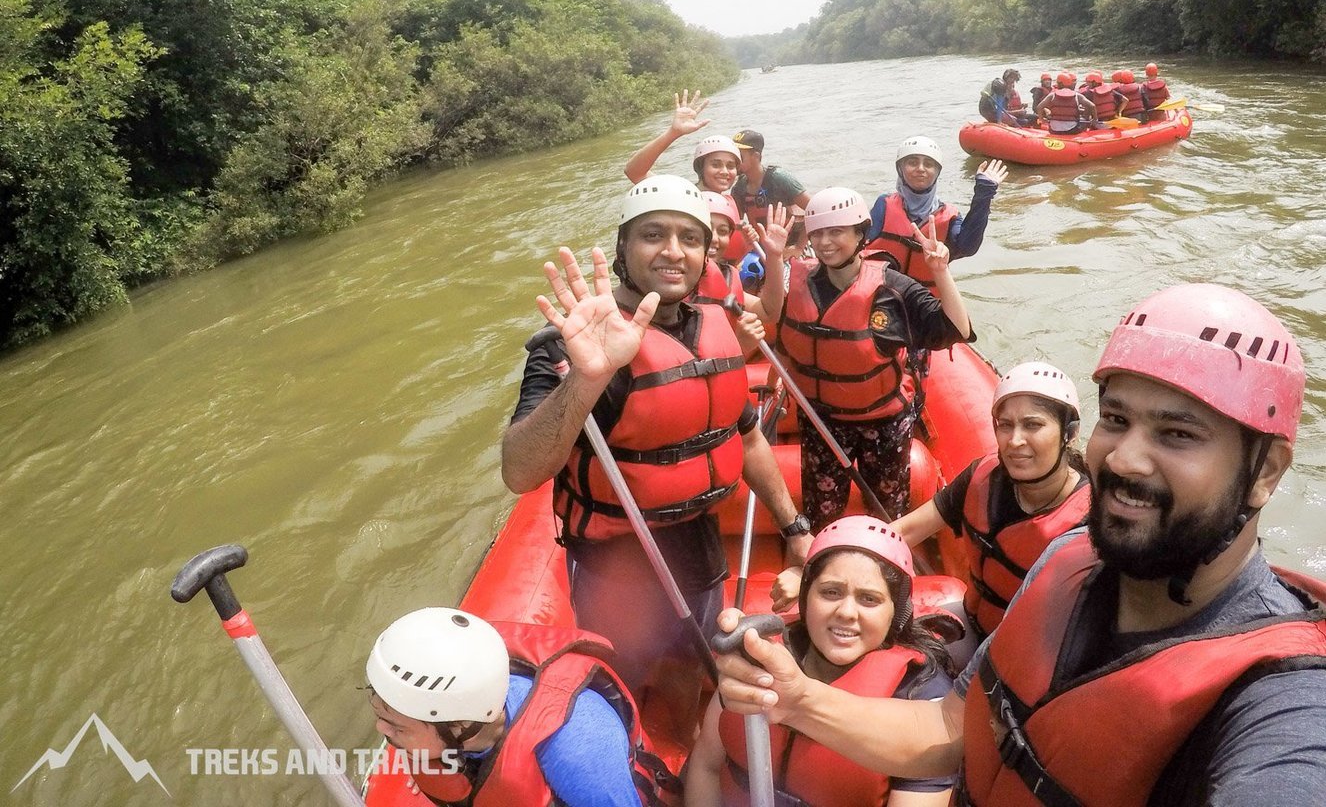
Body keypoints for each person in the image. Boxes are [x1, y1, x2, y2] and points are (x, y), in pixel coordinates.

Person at [715, 283, 1326, 806]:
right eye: (1116, 419)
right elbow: (951, 726)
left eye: (1178, 432)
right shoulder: (1066, 564)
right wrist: (794, 700)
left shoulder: (1282, 702)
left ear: (1266, 470)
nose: (1126, 457)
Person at [502, 175, 811, 737]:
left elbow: (746, 438)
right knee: (619, 676)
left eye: (689, 239)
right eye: (653, 235)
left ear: (705, 253)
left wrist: (794, 526)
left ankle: (683, 733)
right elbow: (520, 472)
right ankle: (624, 749)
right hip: (615, 566)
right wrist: (587, 381)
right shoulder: (573, 341)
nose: (673, 251)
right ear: (624, 249)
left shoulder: (713, 324)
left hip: (698, 542)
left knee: (692, 660)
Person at [685, 517, 955, 806]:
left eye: (869, 599)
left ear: (896, 613)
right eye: (830, 592)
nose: (846, 612)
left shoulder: (921, 693)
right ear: (806, 599)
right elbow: (707, 766)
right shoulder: (757, 653)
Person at [778, 187, 974, 527]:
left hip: (883, 422)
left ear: (860, 235)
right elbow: (781, 337)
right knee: (821, 510)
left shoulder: (893, 287)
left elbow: (954, 330)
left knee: (886, 510)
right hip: (821, 419)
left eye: (836, 232)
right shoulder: (798, 280)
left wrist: (941, 271)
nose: (825, 243)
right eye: (818, 233)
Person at [366, 607, 671, 806]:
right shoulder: (461, 718)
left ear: (459, 725)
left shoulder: (578, 753)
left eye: (397, 727)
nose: (381, 729)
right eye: (382, 714)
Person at [890, 361, 1090, 640]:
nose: (1015, 440)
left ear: (1069, 433)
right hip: (972, 623)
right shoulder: (983, 477)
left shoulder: (1090, 523)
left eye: (1033, 425)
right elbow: (905, 531)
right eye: (1005, 425)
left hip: (1025, 657)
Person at [864, 136, 1009, 291]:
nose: (920, 168)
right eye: (912, 162)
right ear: (901, 168)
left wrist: (983, 193)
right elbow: (857, 247)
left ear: (937, 172)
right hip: (883, 299)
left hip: (925, 304)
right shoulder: (883, 205)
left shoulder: (949, 216)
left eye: (928, 164)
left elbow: (968, 248)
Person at [692, 190, 787, 354]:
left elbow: (769, 312)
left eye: (722, 231)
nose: (714, 238)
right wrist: (739, 345)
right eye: (706, 228)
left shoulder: (725, 277)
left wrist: (775, 256)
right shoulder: (670, 284)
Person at [624, 90, 738, 195]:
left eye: (730, 166)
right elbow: (634, 172)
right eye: (715, 165)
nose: (724, 171)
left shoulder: (729, 201)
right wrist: (673, 133)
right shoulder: (682, 194)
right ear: (701, 167)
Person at [730, 129, 810, 228]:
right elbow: (735, 224)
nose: (734, 161)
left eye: (739, 157)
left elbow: (814, 210)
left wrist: (799, 244)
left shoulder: (779, 178)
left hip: (792, 241)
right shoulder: (739, 188)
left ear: (756, 156)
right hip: (761, 242)